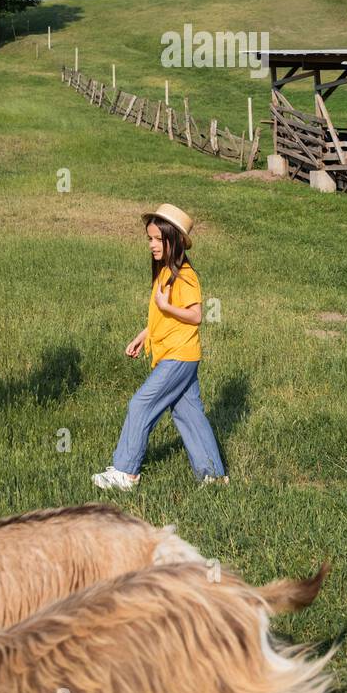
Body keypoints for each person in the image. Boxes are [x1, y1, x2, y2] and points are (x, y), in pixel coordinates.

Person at [92, 203, 228, 490]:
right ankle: (214, 476)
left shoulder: (185, 275)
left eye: (157, 239)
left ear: (173, 239)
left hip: (179, 355)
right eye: (149, 239)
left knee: (141, 404)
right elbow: (162, 314)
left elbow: (196, 315)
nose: (152, 245)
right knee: (188, 414)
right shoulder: (165, 270)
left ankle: (126, 471)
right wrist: (144, 335)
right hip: (175, 354)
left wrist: (166, 305)